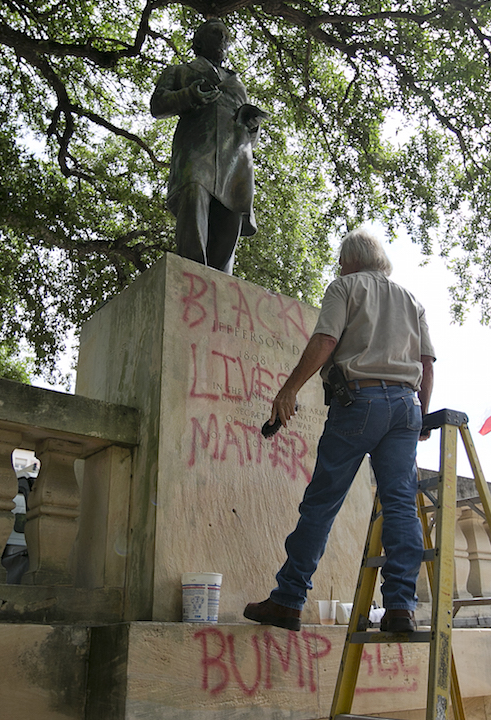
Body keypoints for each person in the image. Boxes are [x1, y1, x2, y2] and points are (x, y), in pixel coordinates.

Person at [244, 227, 436, 633]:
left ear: (351, 259)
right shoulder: (411, 300)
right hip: (405, 406)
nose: (338, 265)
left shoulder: (345, 287)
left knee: (322, 504)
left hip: (359, 403)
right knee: (400, 505)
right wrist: (422, 416)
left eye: (341, 259)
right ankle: (401, 606)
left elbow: (326, 339)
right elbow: (428, 364)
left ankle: (289, 598)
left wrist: (289, 388)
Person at [150, 19, 266, 274]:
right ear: (199, 40)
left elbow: (251, 140)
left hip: (235, 159)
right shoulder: (180, 71)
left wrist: (252, 126)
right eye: (217, 33)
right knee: (193, 195)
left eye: (227, 36)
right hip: (196, 149)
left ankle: (218, 285)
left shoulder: (237, 83)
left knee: (230, 216)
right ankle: (191, 275)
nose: (224, 39)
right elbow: (157, 105)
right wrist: (190, 95)